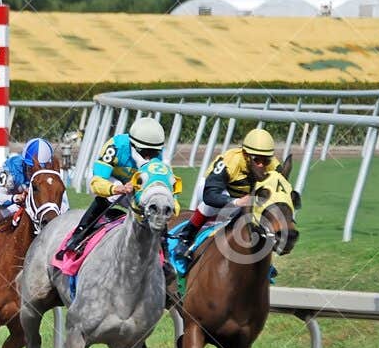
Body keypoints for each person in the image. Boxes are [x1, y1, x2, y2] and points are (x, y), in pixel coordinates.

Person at [58, 116, 172, 259]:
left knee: (156, 200)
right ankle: (79, 235)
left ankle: (164, 247)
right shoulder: (115, 146)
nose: (150, 157)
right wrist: (117, 189)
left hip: (136, 185)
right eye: (145, 152)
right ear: (133, 145)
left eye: (153, 153)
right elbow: (96, 182)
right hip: (112, 182)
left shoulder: (159, 154)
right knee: (113, 194)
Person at [166, 128, 275, 270]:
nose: (262, 165)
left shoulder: (272, 166)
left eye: (266, 160)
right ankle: (185, 238)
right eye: (256, 160)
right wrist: (236, 202)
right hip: (213, 189)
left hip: (244, 192)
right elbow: (210, 195)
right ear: (245, 155)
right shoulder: (230, 162)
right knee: (214, 207)